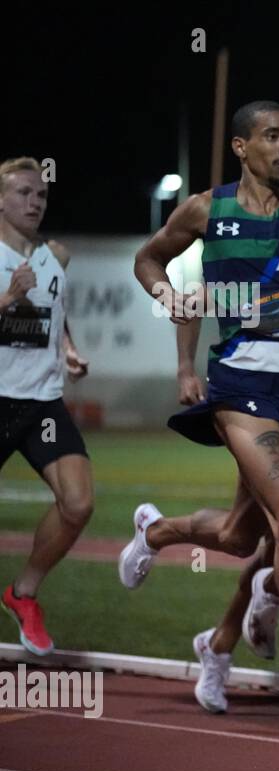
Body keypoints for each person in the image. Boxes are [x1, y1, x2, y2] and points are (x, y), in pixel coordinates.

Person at [123, 102, 279, 720]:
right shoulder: (208, 209)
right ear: (242, 147)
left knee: (244, 536)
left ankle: (156, 530)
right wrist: (171, 298)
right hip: (241, 388)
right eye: (273, 136)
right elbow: (147, 258)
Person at [0, 157, 92, 656]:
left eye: (40, 195)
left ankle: (23, 593)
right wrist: (7, 299)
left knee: (78, 503)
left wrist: (68, 348)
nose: (34, 202)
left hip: (40, 406)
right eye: (22, 193)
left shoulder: (55, 255)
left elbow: (55, 314)